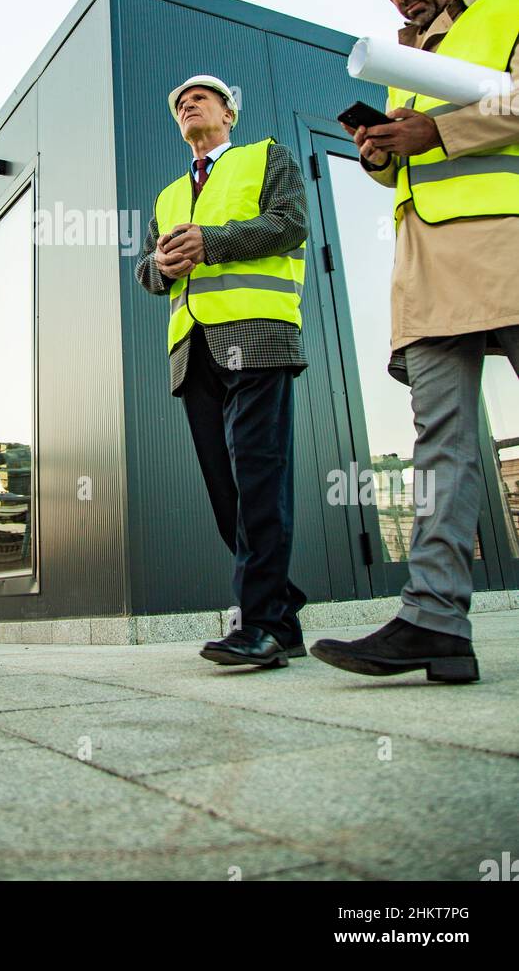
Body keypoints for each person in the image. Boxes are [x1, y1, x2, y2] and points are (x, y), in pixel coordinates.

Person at [312, 0, 519, 683]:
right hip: (428, 267)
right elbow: (410, 163)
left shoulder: (509, 13)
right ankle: (435, 622)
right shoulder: (401, 67)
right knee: (441, 448)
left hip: (509, 245)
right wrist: (379, 153)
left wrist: (436, 135)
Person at [135, 75, 310, 668]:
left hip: (257, 336)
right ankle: (281, 615)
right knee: (224, 493)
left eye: (200, 99)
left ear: (228, 113)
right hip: (194, 349)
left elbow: (289, 224)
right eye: (179, 103)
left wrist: (212, 242)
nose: (186, 104)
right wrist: (159, 262)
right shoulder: (166, 196)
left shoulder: (267, 156)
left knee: (259, 479)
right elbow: (149, 273)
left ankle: (259, 624)